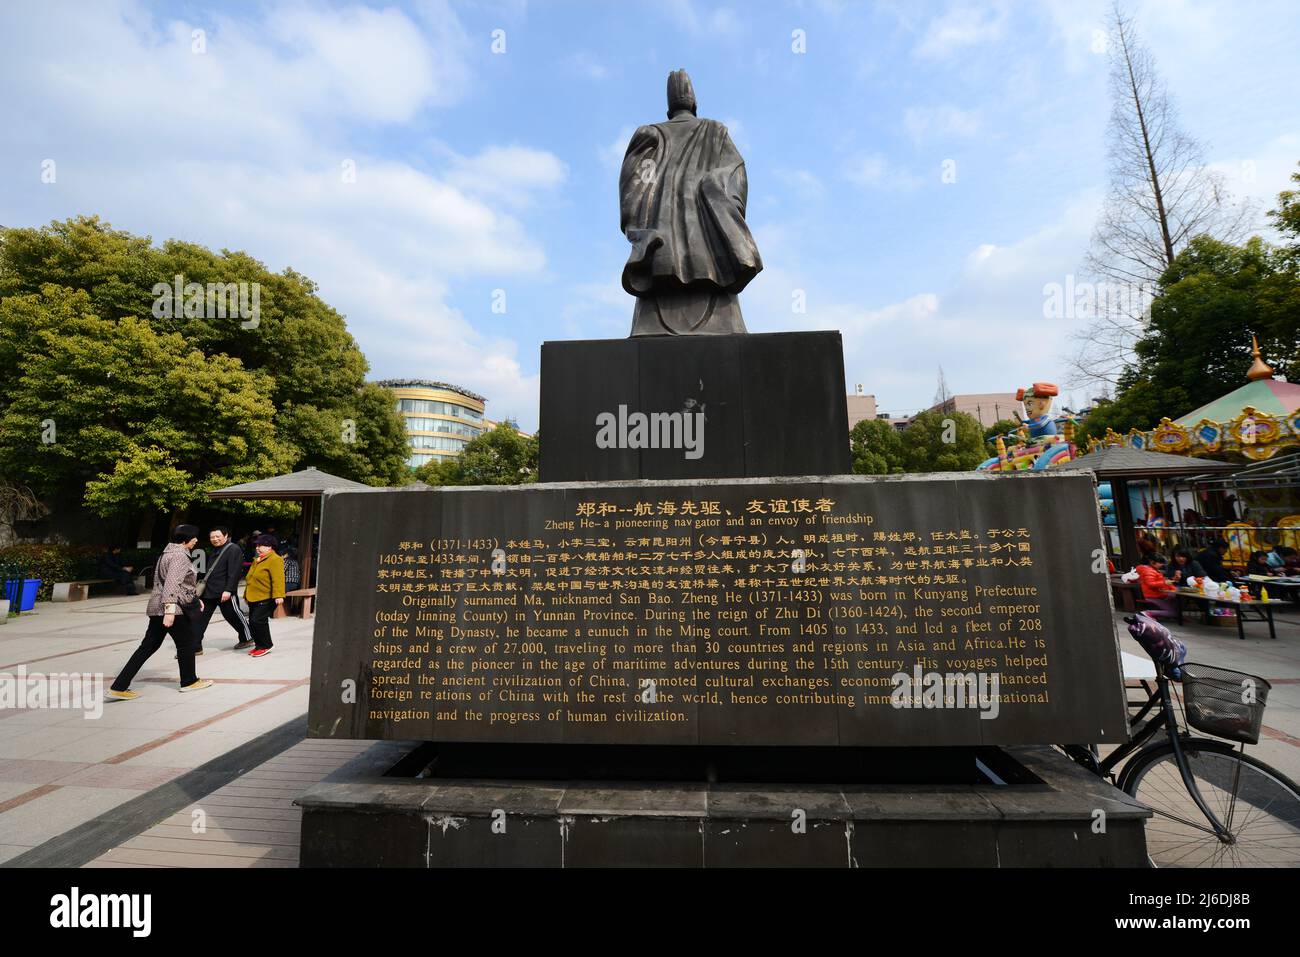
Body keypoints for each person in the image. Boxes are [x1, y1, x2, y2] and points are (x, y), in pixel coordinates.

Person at [107, 525, 212, 699]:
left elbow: (171, 583)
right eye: (194, 538)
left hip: (158, 607)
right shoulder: (180, 555)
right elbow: (172, 583)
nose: (196, 541)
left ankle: (119, 686)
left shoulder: (168, 552)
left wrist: (193, 599)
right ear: (186, 539)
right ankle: (189, 681)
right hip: (172, 608)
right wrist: (170, 611)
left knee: (148, 646)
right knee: (186, 643)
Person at [194, 526, 254, 651]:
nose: (215, 539)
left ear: (226, 536)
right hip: (209, 592)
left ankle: (247, 637)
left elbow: (235, 571)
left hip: (224, 592)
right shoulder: (214, 549)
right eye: (212, 537)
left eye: (218, 536)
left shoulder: (233, 549)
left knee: (233, 615)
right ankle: (195, 646)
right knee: (200, 618)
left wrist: (229, 590)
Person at [243, 533, 284, 657]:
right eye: (256, 545)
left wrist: (279, 595)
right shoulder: (257, 560)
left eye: (260, 545)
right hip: (253, 597)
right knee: (254, 621)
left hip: (266, 597)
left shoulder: (275, 559)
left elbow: (278, 579)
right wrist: (245, 595)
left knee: (257, 621)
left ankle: (267, 645)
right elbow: (250, 579)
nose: (257, 548)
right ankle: (259, 645)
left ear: (269, 547)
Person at [1135, 555, 1179, 620]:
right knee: (1173, 613)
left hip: (1158, 595)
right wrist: (1165, 583)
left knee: (1174, 597)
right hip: (1154, 596)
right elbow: (1150, 584)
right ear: (1152, 562)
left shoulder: (1153, 570)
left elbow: (1160, 582)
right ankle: (1147, 613)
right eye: (1160, 563)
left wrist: (1174, 588)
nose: (1162, 565)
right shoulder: (1149, 571)